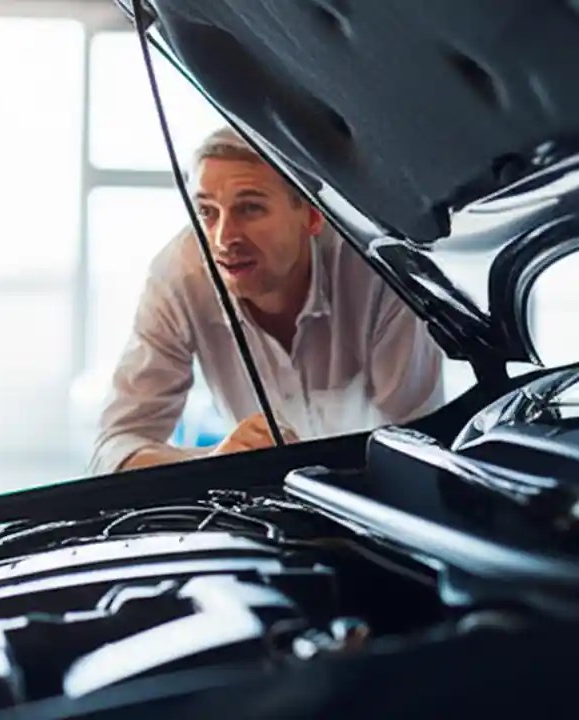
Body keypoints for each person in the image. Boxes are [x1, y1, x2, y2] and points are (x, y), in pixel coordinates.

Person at [91, 127, 443, 474]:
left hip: (372, 497)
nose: (223, 238)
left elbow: (419, 446)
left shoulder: (377, 271)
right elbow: (114, 449)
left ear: (313, 213)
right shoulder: (179, 277)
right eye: (206, 212)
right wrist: (216, 461)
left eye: (250, 209)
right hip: (258, 507)